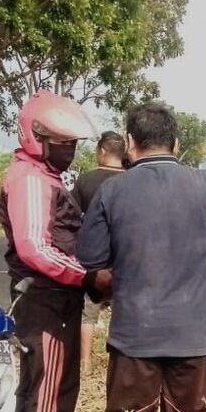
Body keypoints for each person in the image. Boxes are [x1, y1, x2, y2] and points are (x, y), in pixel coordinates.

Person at [76, 102, 206, 412]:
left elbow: (90, 258)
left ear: (130, 142)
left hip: (134, 337)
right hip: (193, 338)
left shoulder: (112, 192)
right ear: (176, 144)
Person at [0, 90, 110, 412]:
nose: (69, 151)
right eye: (62, 143)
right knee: (49, 391)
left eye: (72, 144)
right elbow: (35, 248)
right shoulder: (30, 180)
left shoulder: (42, 176)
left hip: (49, 299)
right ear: (37, 138)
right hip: (45, 300)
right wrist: (89, 277)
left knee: (38, 386)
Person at [72, 131, 127, 367]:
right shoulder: (133, 181)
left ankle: (85, 362)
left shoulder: (86, 181)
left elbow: (72, 218)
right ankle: (119, 363)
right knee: (124, 313)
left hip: (94, 263)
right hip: (126, 260)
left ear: (102, 152)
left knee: (88, 314)